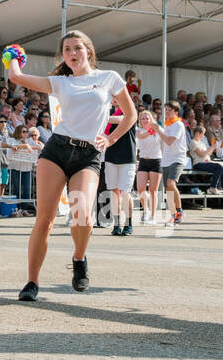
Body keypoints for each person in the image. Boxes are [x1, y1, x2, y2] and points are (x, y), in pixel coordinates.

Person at [7, 31, 136, 300]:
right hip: (56, 149)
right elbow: (16, 78)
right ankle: (32, 282)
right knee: (45, 220)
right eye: (67, 50)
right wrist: (13, 57)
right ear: (63, 55)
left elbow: (130, 114)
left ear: (88, 51)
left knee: (82, 216)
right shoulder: (60, 82)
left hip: (88, 155)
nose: (72, 53)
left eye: (77, 48)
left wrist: (111, 139)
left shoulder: (108, 78)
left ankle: (79, 258)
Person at [103, 104, 136, 236]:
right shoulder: (109, 112)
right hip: (111, 157)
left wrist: (101, 115)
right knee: (114, 192)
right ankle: (116, 224)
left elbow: (120, 120)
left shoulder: (130, 111)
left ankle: (128, 224)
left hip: (127, 158)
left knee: (125, 193)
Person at [154, 101, 189, 225]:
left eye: (169, 110)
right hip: (166, 159)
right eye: (166, 110)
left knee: (171, 183)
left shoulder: (178, 124)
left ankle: (179, 211)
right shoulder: (167, 125)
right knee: (168, 189)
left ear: (175, 112)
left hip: (177, 158)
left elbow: (169, 141)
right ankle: (173, 215)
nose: (167, 112)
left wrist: (158, 130)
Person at [135, 110, 163, 224]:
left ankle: (152, 215)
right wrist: (151, 130)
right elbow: (141, 137)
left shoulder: (158, 130)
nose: (145, 120)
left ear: (151, 119)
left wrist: (157, 129)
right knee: (140, 188)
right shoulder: (138, 130)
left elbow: (165, 140)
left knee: (153, 190)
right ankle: (145, 211)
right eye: (143, 118)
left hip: (156, 160)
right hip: (143, 161)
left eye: (147, 118)